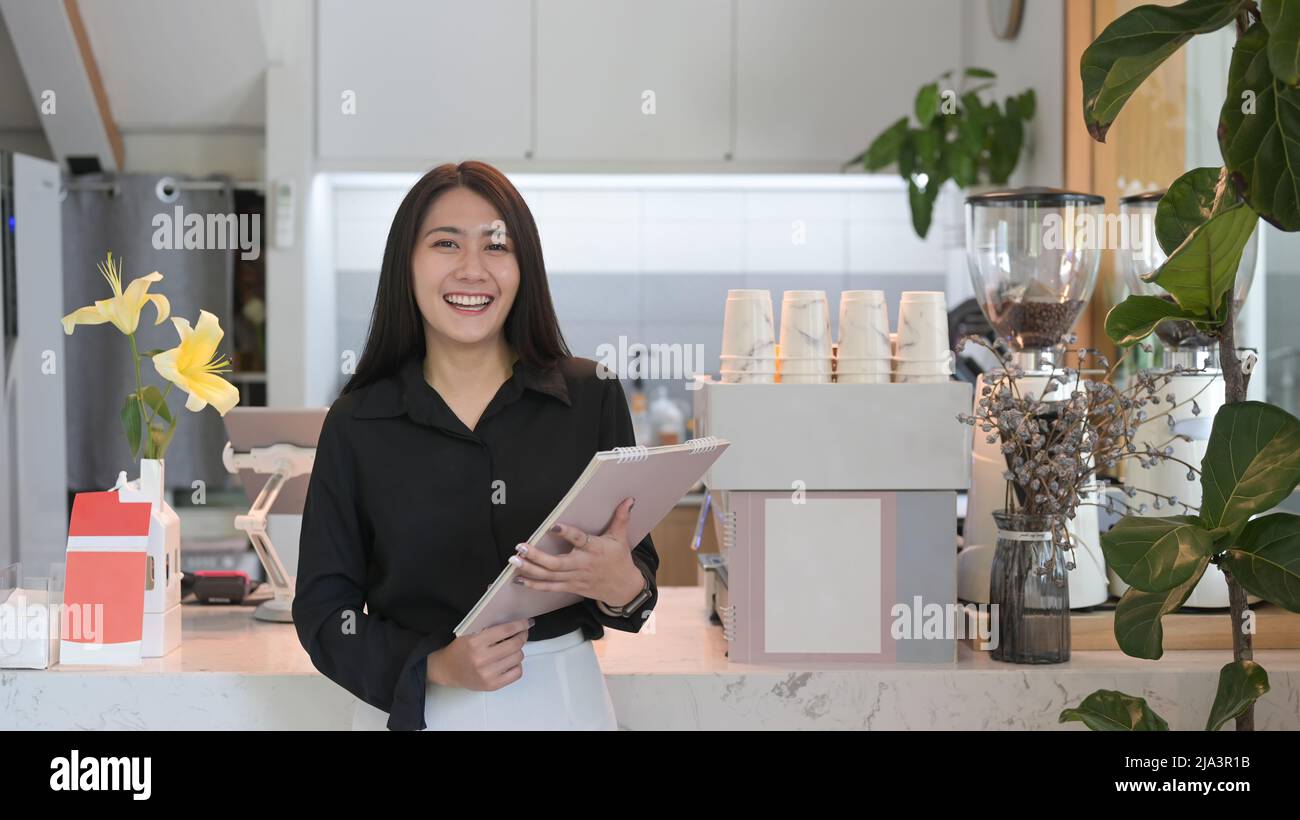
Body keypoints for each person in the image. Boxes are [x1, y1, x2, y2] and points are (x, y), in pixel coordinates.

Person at [291, 161, 658, 730]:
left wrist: (620, 584)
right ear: (406, 265)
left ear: (523, 267)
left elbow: (636, 585)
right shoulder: (358, 421)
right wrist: (434, 664)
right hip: (422, 704)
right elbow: (323, 614)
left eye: (496, 246)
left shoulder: (593, 398)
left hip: (564, 702)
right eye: (445, 244)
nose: (472, 269)